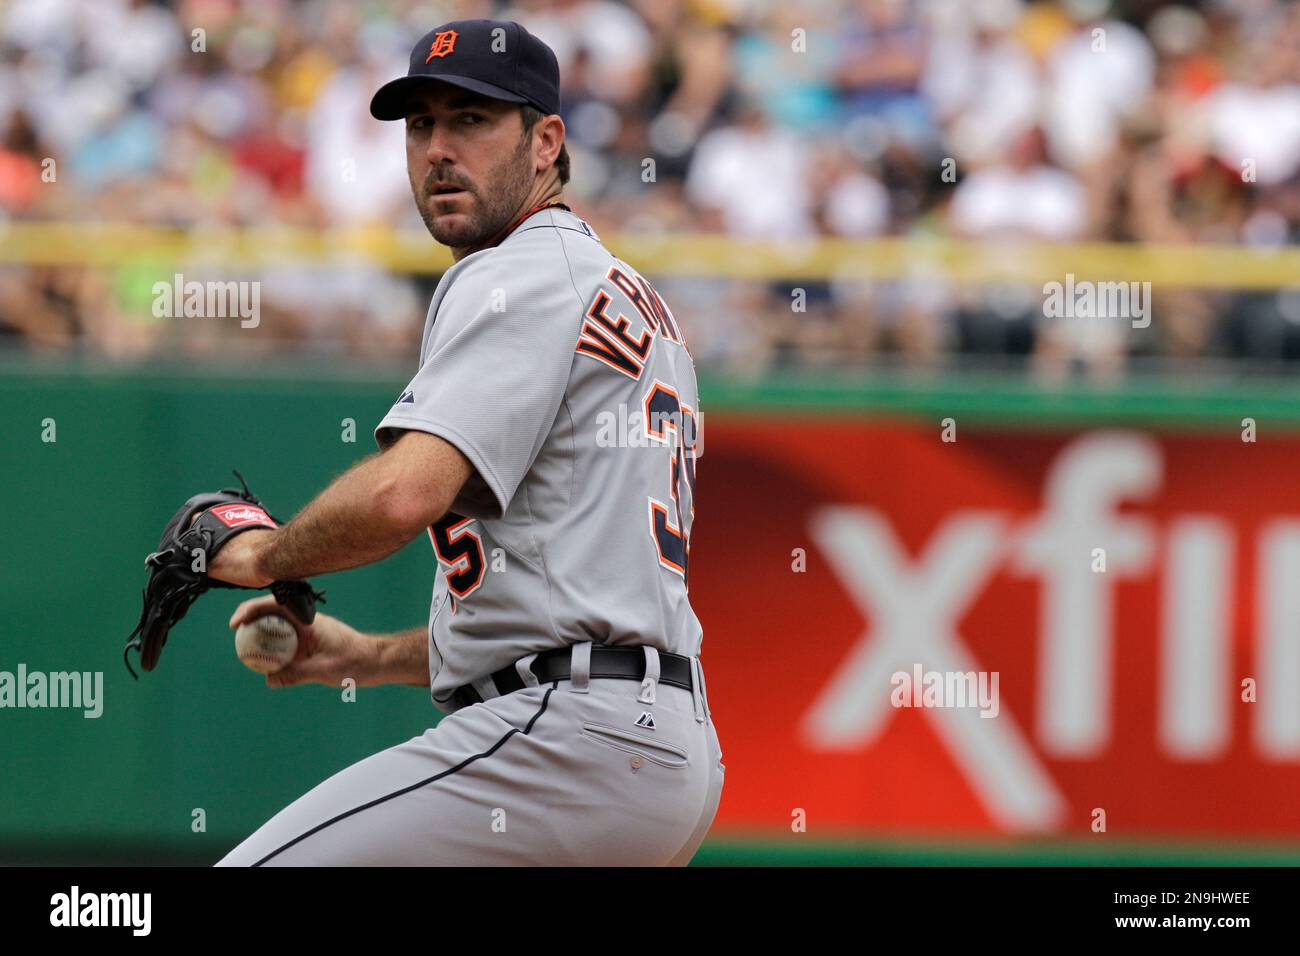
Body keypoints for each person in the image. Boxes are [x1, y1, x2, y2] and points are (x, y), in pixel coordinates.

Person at [211, 19, 723, 866]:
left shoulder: (513, 270)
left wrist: (265, 554)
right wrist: (369, 656)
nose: (439, 149)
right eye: (421, 126)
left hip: (566, 745)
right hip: (656, 751)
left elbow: (400, 495)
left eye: (473, 120)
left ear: (547, 140)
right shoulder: (621, 291)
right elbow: (560, 603)